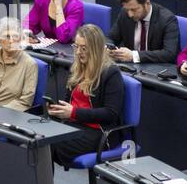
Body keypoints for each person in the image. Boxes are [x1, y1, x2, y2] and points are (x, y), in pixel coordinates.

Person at [47, 23, 128, 164]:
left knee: (48, 144)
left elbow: (110, 114)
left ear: (95, 49)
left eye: (83, 48)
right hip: (74, 123)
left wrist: (73, 113)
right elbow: (69, 102)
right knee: (40, 135)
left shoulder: (111, 72)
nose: (78, 52)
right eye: (76, 46)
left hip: (98, 132)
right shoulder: (77, 68)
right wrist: (58, 110)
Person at [108, 0, 181, 64]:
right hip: (131, 67)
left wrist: (134, 55)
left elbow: (169, 54)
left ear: (147, 3)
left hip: (156, 69)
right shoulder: (125, 13)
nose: (130, 14)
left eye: (134, 10)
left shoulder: (167, 19)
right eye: (127, 9)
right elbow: (111, 38)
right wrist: (109, 48)